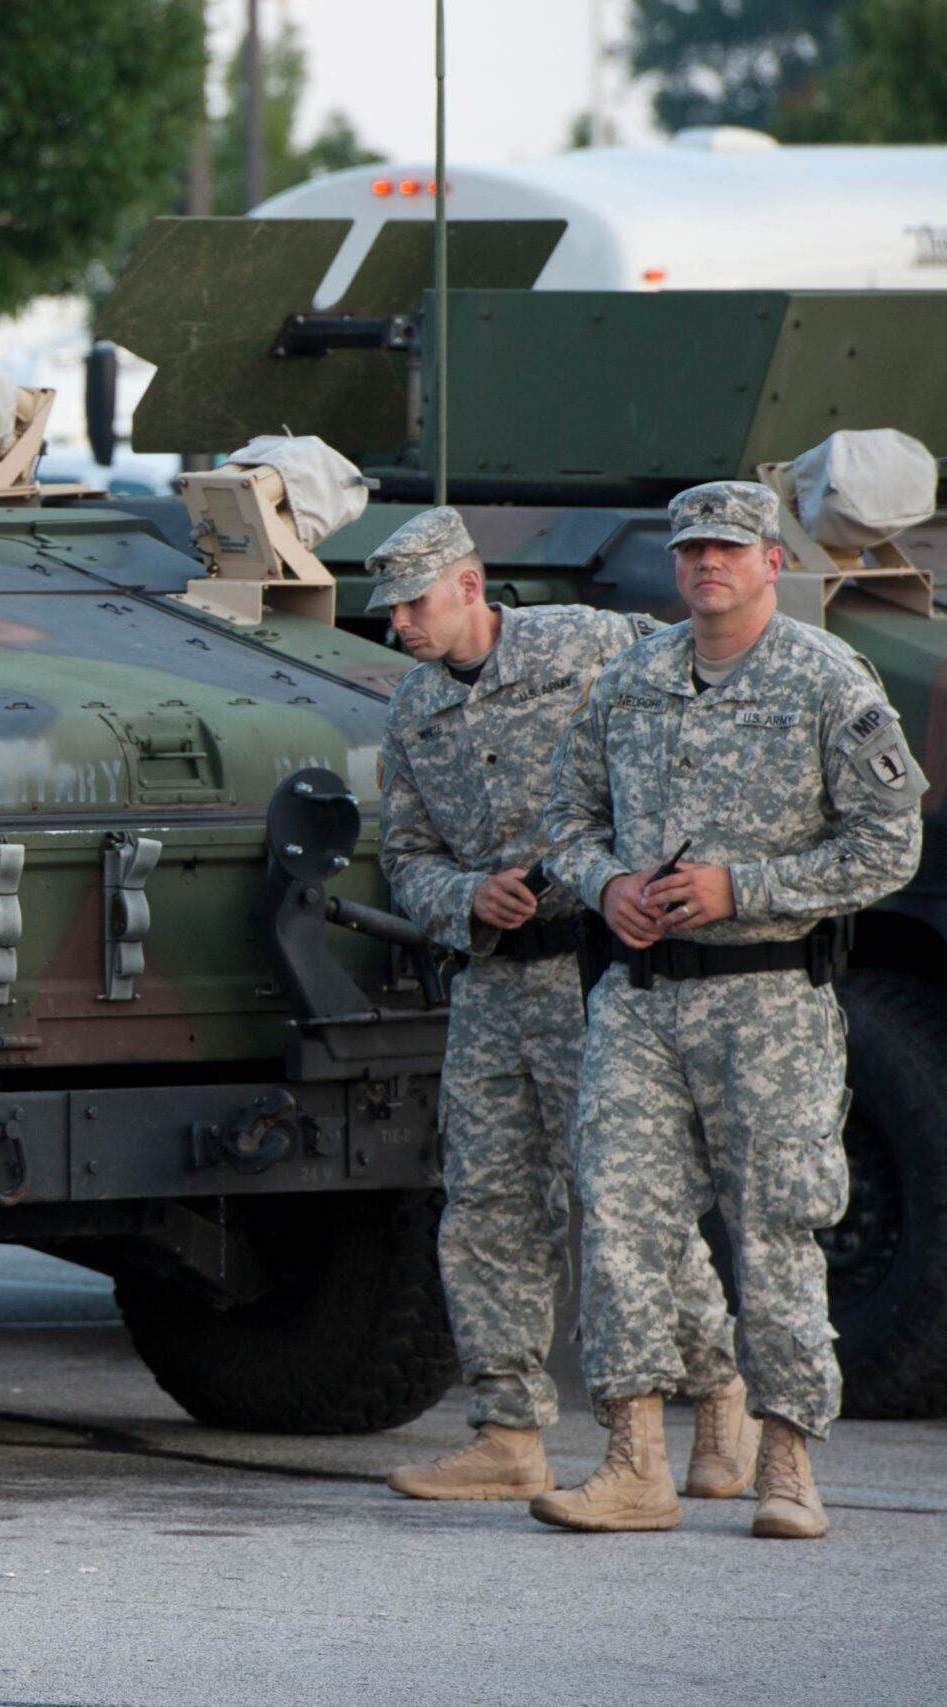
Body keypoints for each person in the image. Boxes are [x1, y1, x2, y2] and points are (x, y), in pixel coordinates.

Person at [536, 480, 926, 1539]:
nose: (707, 565)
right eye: (691, 550)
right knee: (617, 1221)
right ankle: (631, 1462)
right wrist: (604, 882)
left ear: (767, 562)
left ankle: (784, 1464)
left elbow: (889, 844)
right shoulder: (633, 677)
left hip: (770, 1002)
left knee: (776, 1233)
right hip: (640, 999)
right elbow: (565, 816)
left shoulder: (825, 678)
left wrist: (741, 888)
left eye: (728, 549)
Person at [366, 507, 752, 1504]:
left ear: (467, 583)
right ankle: (505, 1431)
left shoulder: (586, 639)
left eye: (414, 603)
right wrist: (464, 899)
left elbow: (695, 689)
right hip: (494, 982)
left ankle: (718, 1402)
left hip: (600, 970)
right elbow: (405, 856)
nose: (400, 624)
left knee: (630, 1198)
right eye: (390, 609)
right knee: (486, 1204)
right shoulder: (410, 711)